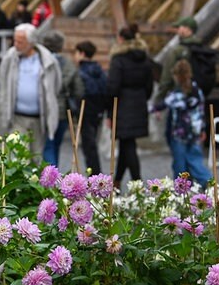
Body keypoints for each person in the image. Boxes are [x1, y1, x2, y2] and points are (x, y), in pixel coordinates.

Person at [0, 23, 61, 156]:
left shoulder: (47, 60)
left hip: (39, 119)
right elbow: (3, 82)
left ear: (31, 42)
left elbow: (56, 85)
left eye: (20, 42)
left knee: (36, 157)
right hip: (17, 118)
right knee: (18, 157)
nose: (16, 44)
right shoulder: (10, 58)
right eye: (15, 40)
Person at [107, 26, 154, 189]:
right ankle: (118, 181)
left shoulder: (118, 59)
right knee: (127, 143)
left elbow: (113, 87)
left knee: (128, 144)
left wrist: (109, 112)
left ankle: (137, 183)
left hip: (122, 105)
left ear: (120, 39)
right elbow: (150, 86)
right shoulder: (145, 59)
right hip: (139, 103)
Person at [154, 59, 212, 185]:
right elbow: (201, 112)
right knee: (196, 161)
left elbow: (163, 104)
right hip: (195, 132)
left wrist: (154, 109)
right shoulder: (197, 91)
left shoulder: (177, 93)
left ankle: (182, 190)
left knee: (180, 166)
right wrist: (203, 129)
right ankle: (208, 185)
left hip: (179, 134)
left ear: (176, 76)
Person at [39, 30, 84, 167]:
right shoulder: (68, 64)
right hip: (63, 111)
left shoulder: (39, 61)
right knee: (56, 145)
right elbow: (79, 90)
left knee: (47, 145)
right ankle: (55, 176)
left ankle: (49, 180)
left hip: (43, 109)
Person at [74, 41, 108, 175]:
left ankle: (94, 175)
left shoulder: (81, 72)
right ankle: (96, 173)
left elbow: (80, 92)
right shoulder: (99, 70)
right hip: (98, 111)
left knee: (89, 146)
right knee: (92, 144)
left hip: (85, 111)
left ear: (82, 54)